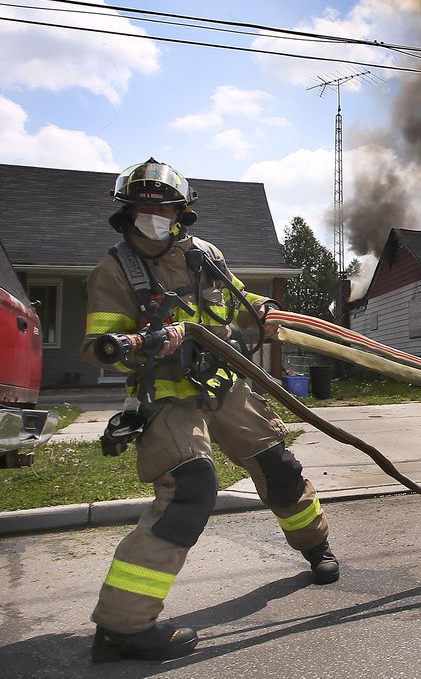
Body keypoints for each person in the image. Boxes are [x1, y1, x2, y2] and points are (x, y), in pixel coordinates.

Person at [81, 158, 339, 663]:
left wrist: (264, 311)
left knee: (280, 470)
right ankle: (121, 627)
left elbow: (238, 300)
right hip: (169, 396)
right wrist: (142, 344)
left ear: (182, 212)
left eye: (163, 207)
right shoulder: (113, 270)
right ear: (126, 213)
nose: (152, 215)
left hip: (224, 383)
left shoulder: (205, 255)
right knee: (191, 489)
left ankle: (315, 547)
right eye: (141, 207)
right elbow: (98, 347)